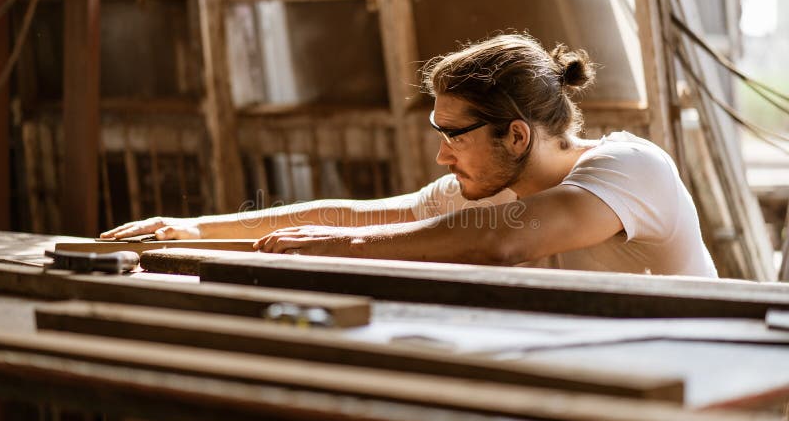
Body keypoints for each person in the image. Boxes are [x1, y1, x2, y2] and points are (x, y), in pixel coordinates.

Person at [101, 33, 717, 277]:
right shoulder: (491, 187)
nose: (443, 156)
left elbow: (504, 242)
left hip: (699, 404)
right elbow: (352, 215)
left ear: (517, 136)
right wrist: (194, 229)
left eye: (454, 135)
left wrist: (336, 248)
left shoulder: (629, 168)